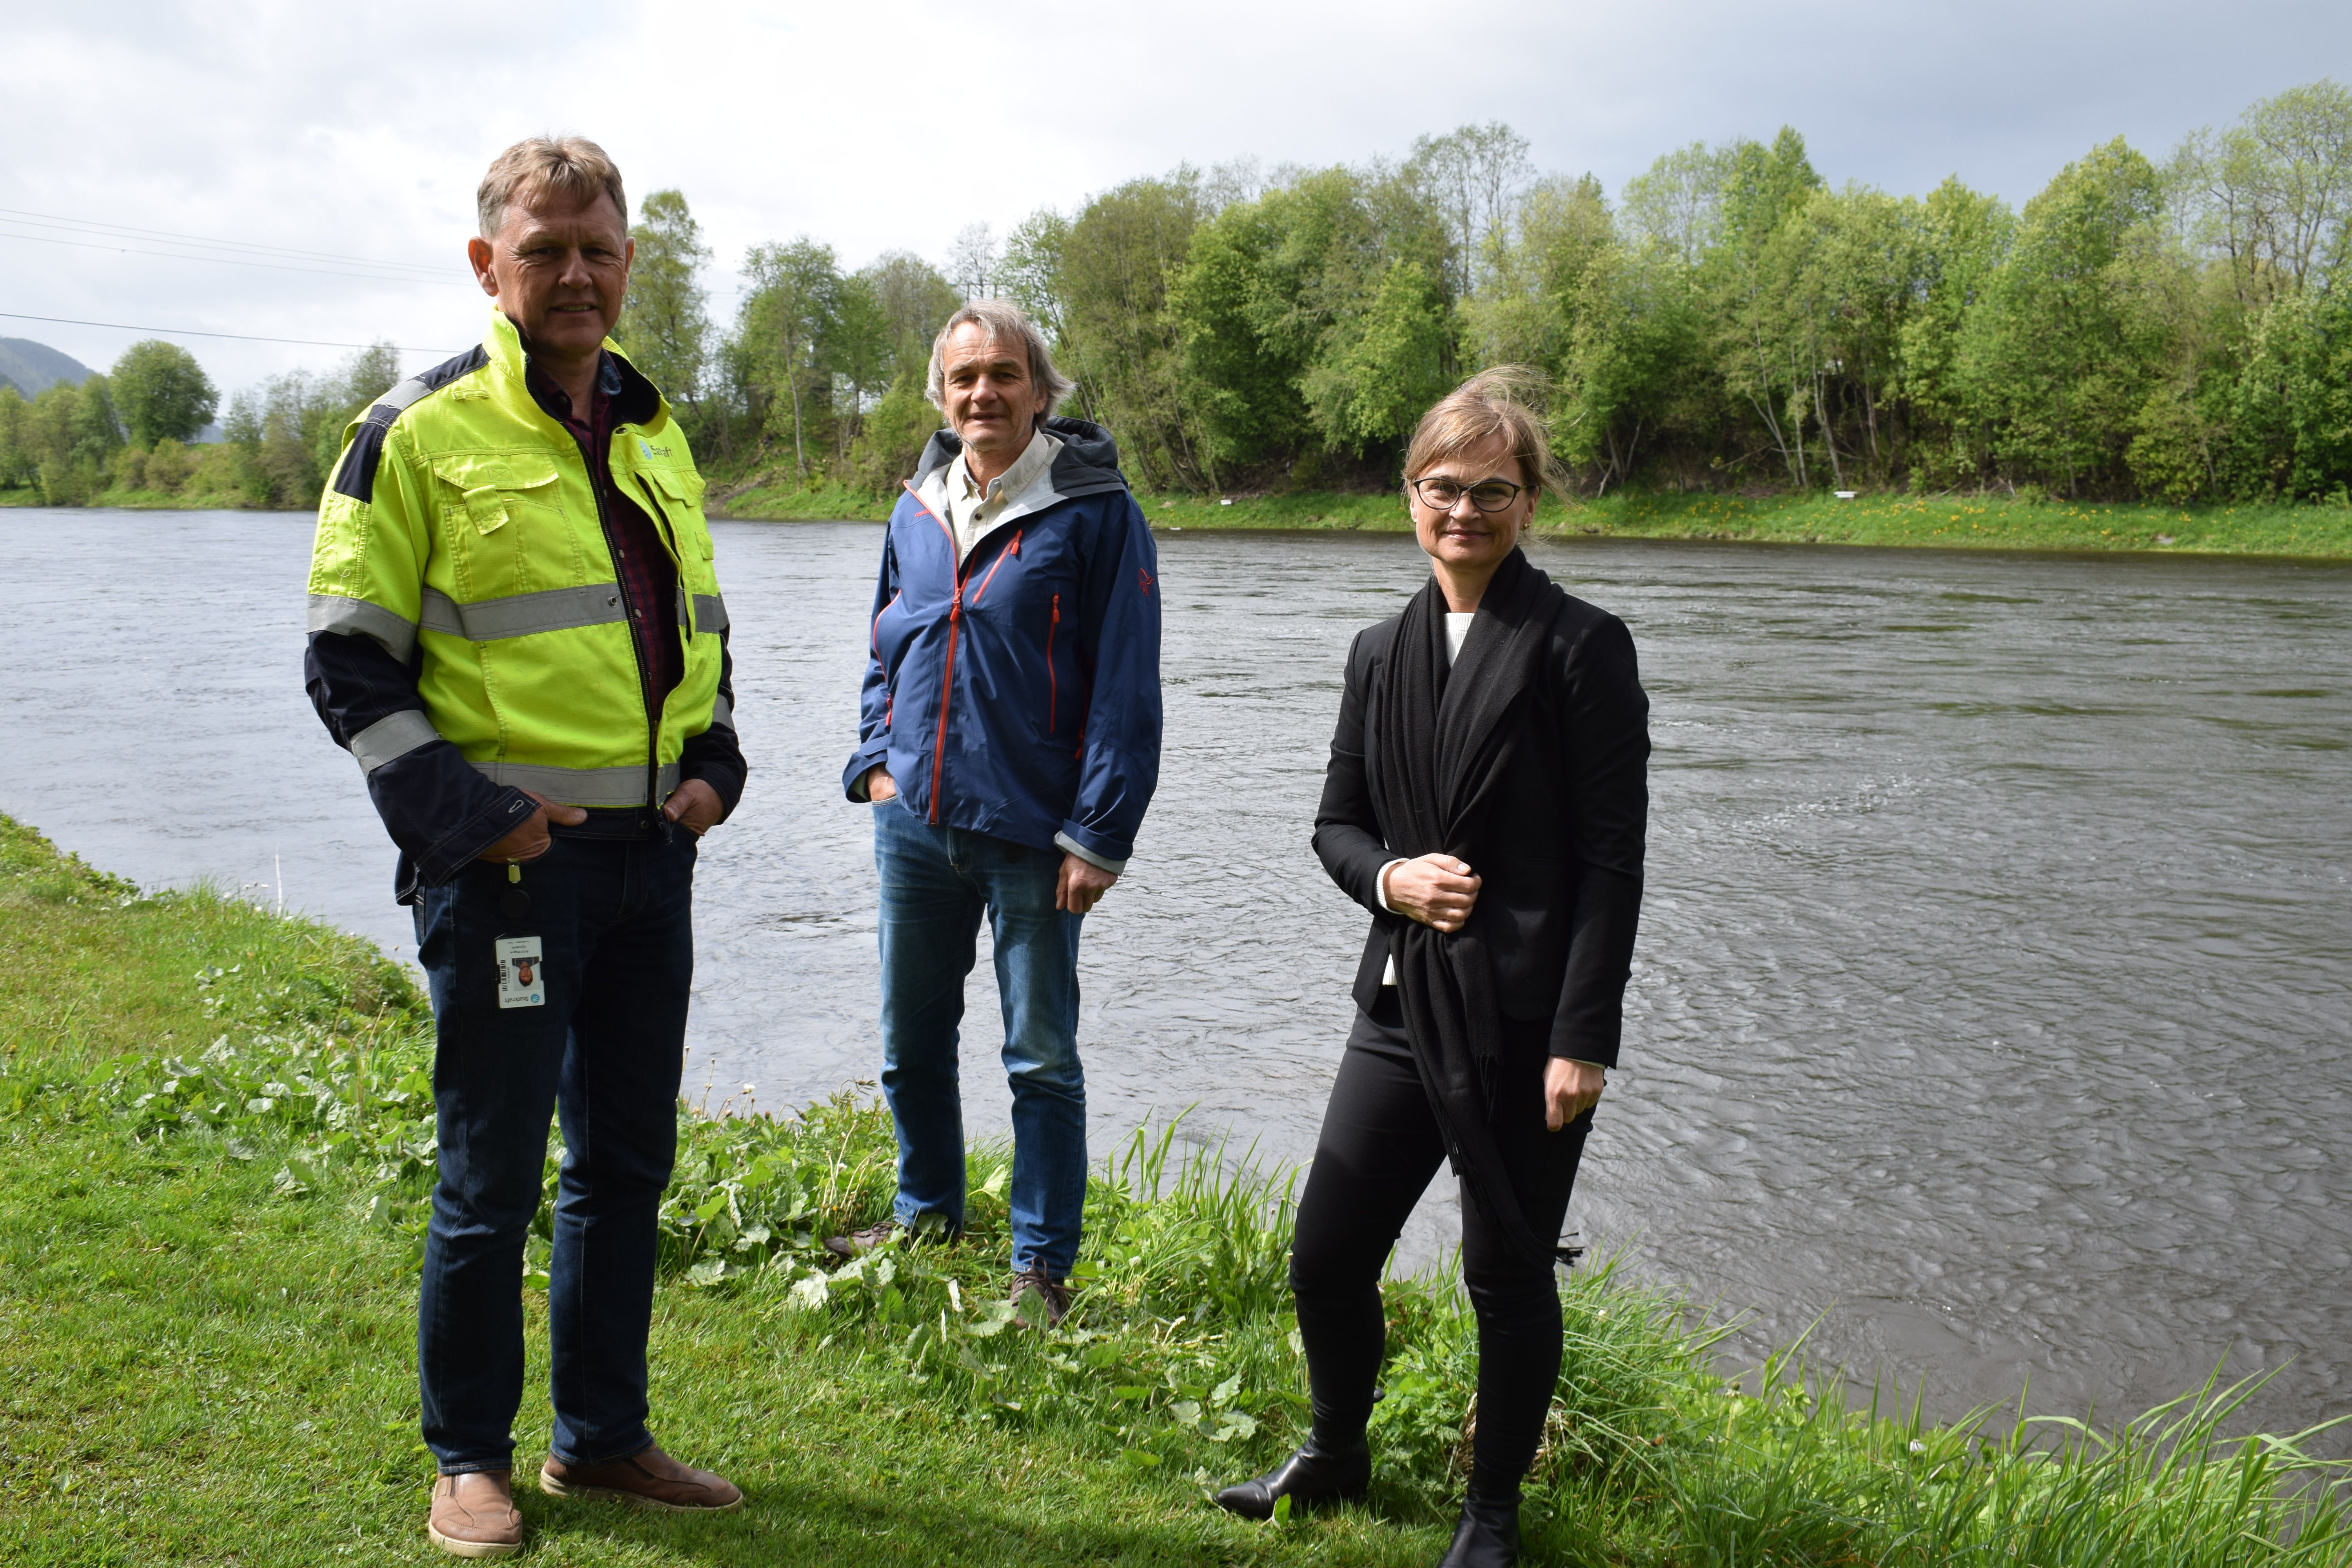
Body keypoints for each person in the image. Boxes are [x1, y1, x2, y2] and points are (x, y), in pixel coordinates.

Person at [303, 136, 748, 1558]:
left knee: (627, 1164)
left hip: (645, 866)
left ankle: (600, 1439)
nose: (574, 272)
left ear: (630, 264)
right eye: (544, 248)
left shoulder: (659, 429)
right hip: (502, 871)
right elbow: (345, 665)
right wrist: (473, 815)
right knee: (493, 1174)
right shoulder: (413, 434)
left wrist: (715, 764)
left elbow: (697, 634)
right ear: (489, 263)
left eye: (598, 248)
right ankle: (466, 1460)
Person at [1214, 372, 1649, 1568]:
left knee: (1506, 1276)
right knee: (1325, 1258)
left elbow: (1614, 864)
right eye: (1443, 488)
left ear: (1529, 500)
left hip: (1524, 1023)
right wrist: (1390, 881)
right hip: (1402, 1009)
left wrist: (1584, 1039)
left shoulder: (1581, 649)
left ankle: (1491, 1517)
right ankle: (1337, 1451)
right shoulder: (1379, 651)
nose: (1465, 511)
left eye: (1492, 491)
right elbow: (1336, 826)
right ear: (1410, 496)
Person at [832, 299, 1162, 1327]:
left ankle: (1041, 1265)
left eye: (1004, 376)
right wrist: (875, 765)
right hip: (915, 824)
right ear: (942, 393)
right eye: (964, 377)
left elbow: (1126, 685)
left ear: (1040, 390)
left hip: (1034, 836)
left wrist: (1099, 831)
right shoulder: (915, 506)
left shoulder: (1096, 510)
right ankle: (926, 1211)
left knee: (1041, 1059)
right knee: (910, 1044)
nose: (983, 393)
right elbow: (889, 640)